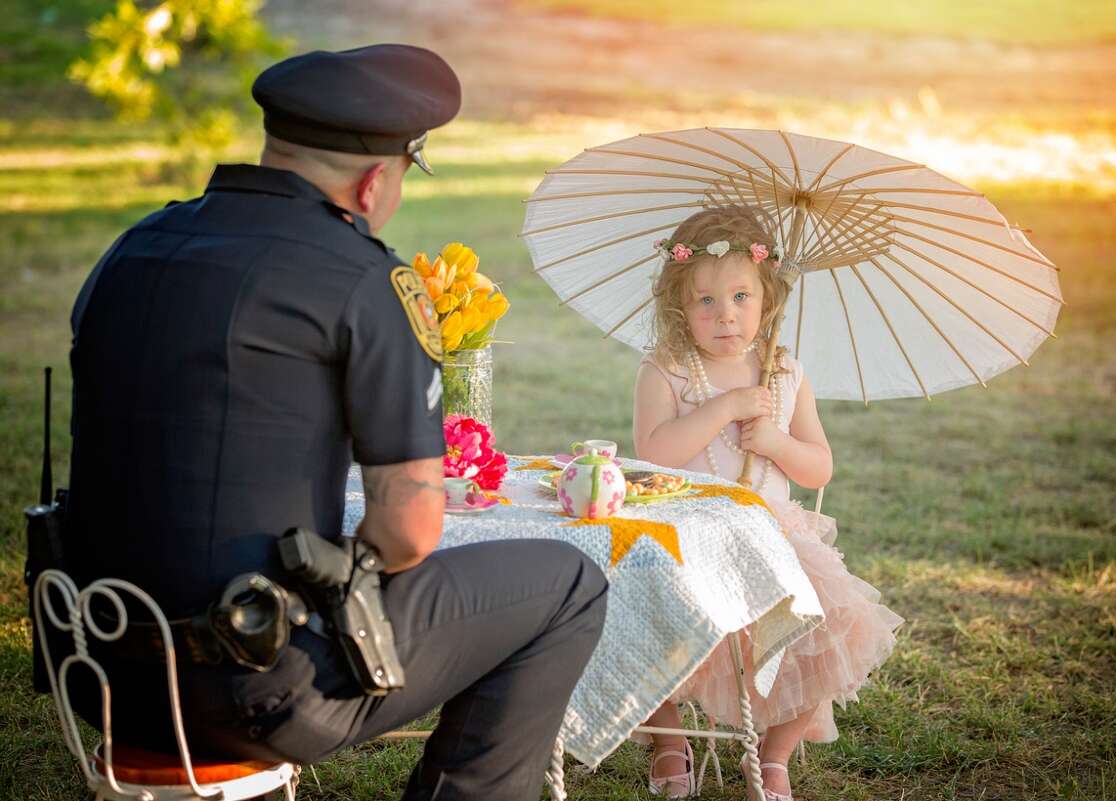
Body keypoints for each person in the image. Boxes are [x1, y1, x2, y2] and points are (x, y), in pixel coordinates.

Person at [64, 44, 607, 800]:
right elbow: (408, 533)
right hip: (255, 681)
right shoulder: (363, 279)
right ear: (375, 179)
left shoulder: (132, 249)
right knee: (570, 582)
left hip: (100, 664)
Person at [631, 206, 903, 800]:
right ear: (680, 305)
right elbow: (653, 452)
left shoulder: (784, 374)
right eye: (705, 301)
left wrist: (777, 441)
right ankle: (668, 739)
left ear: (768, 299)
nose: (724, 314)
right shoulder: (667, 371)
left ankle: (774, 756)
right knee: (643, 615)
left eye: (740, 297)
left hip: (772, 535)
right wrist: (722, 409)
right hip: (688, 527)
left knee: (832, 623)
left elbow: (820, 466)